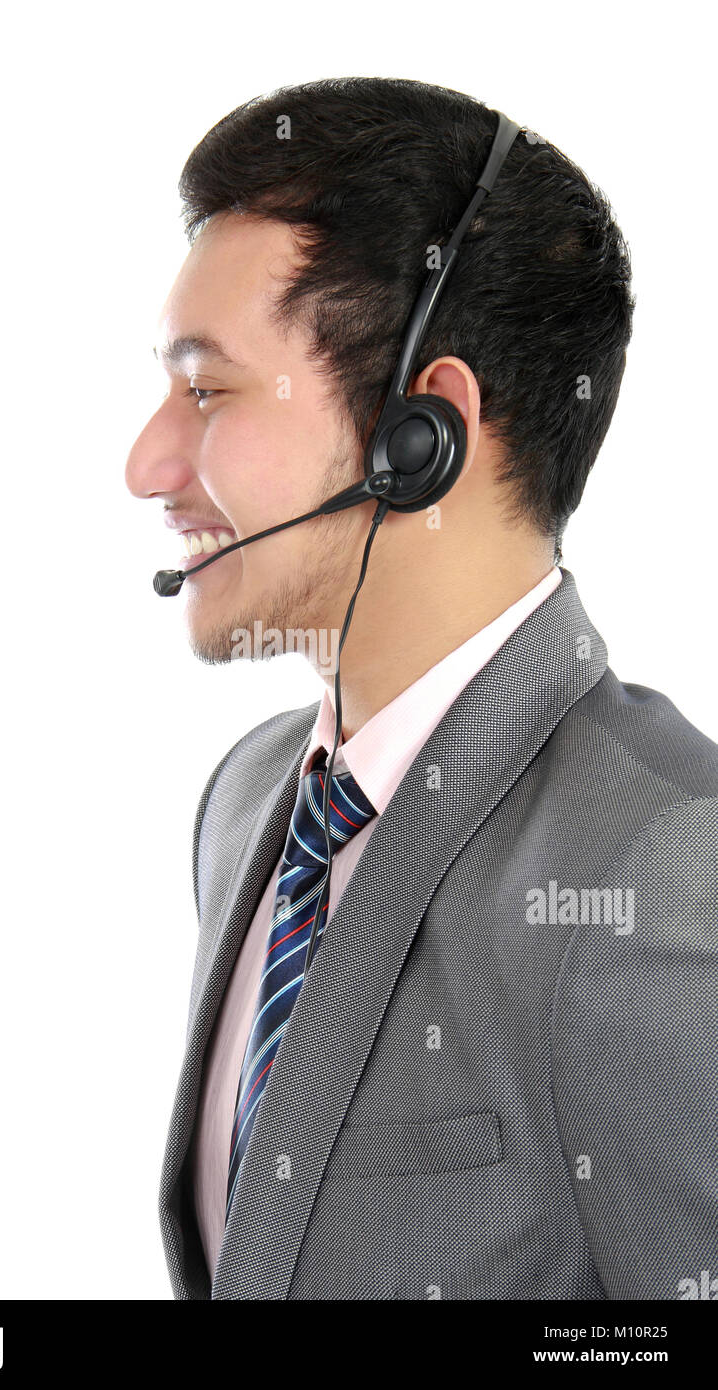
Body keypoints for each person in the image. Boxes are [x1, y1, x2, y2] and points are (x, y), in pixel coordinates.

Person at [125, 77, 718, 1301]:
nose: (146, 462)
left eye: (207, 389)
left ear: (421, 434)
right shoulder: (248, 803)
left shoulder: (666, 875)